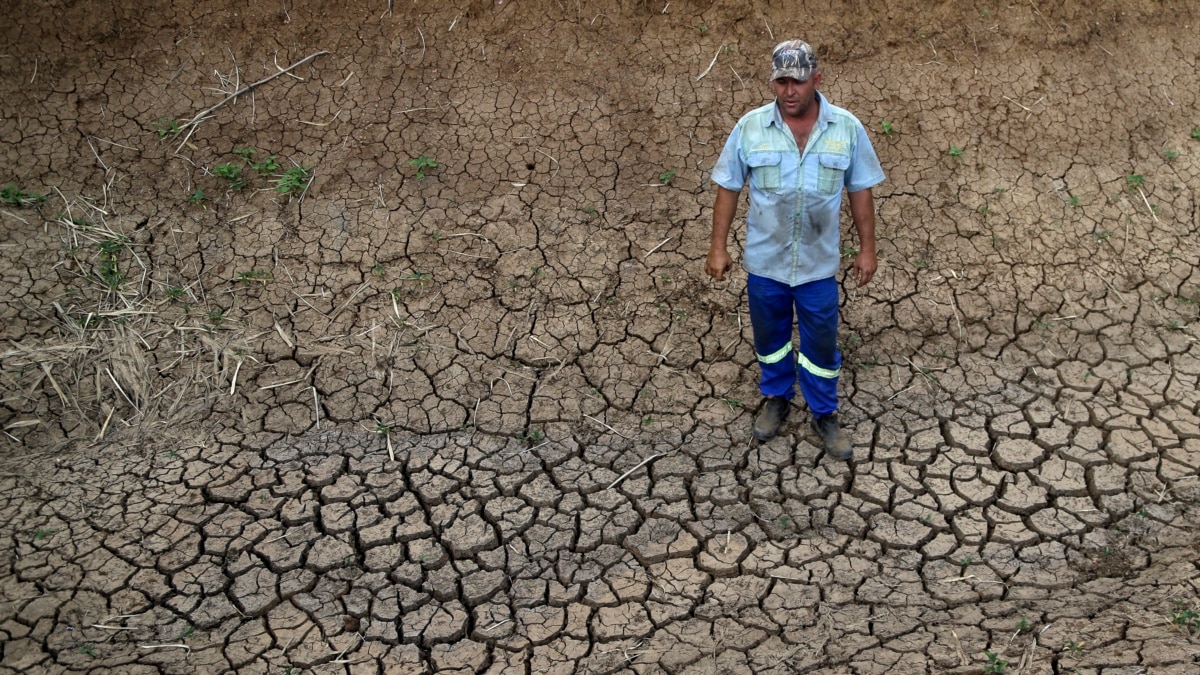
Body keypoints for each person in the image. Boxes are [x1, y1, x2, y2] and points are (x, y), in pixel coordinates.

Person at [706, 39, 884, 460]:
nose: (789, 90)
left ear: (816, 80)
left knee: (821, 342)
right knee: (771, 337)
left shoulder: (846, 128)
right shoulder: (750, 127)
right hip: (766, 263)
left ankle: (824, 412)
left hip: (818, 266)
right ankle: (777, 398)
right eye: (781, 81)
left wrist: (867, 249)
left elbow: (860, 191)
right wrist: (717, 247)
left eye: (798, 81)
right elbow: (728, 187)